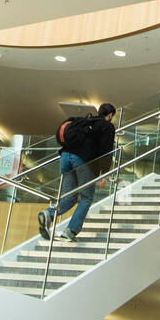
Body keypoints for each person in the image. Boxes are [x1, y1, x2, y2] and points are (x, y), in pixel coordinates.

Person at [38, 102, 117, 242]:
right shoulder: (107, 126)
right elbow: (106, 150)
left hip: (65, 157)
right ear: (110, 115)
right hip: (83, 161)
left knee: (69, 196)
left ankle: (49, 214)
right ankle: (71, 231)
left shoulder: (84, 120)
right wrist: (104, 173)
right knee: (87, 197)